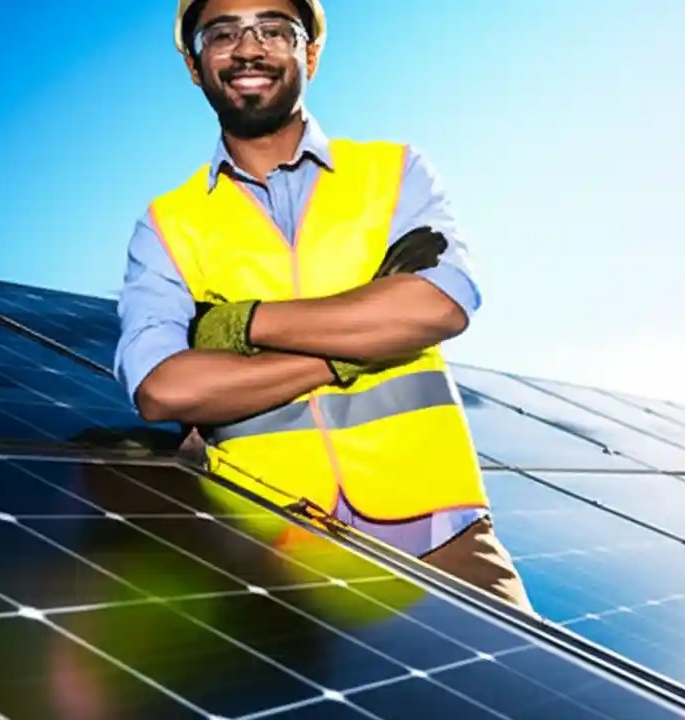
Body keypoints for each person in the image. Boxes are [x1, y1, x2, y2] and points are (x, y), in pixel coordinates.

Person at [114, 0, 534, 614]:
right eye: (222, 33)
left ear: (309, 52)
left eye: (274, 30)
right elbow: (163, 388)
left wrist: (244, 324)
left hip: (443, 542)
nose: (249, 48)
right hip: (266, 546)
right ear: (194, 65)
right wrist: (354, 347)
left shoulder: (394, 172)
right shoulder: (167, 225)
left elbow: (437, 307)